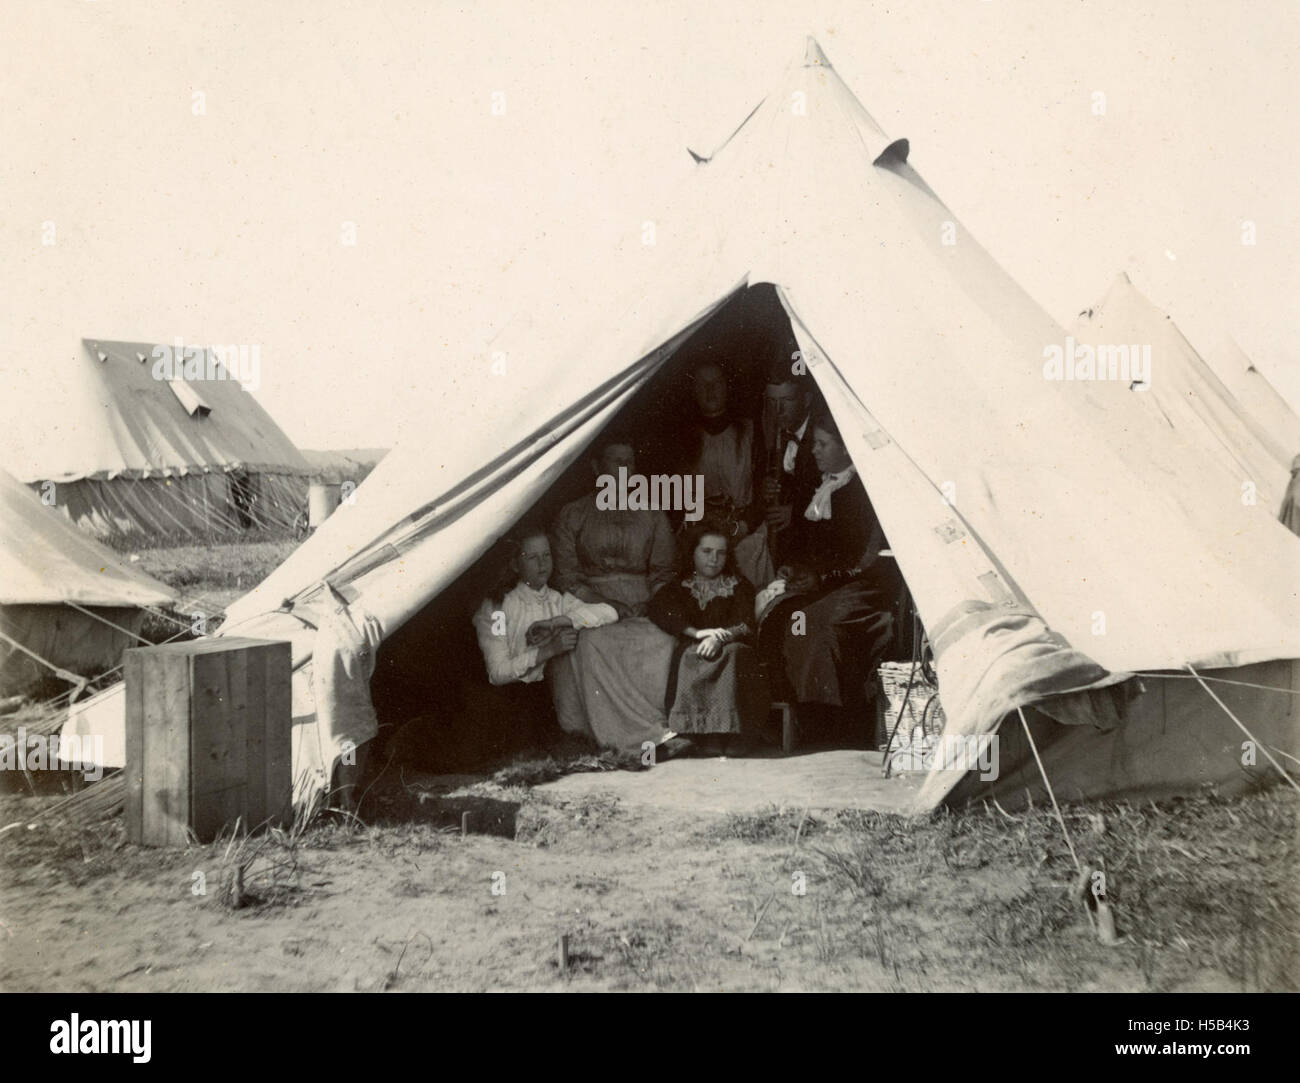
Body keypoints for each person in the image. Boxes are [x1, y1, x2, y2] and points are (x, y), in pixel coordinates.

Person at [758, 412, 895, 743]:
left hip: (862, 587)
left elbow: (869, 557)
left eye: (822, 444)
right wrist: (795, 568)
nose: (815, 450)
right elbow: (811, 546)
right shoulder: (819, 487)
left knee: (818, 626)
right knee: (782, 615)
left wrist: (822, 578)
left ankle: (833, 725)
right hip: (826, 586)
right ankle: (792, 718)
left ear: (846, 449)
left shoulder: (866, 492)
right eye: (815, 443)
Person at [549, 437, 681, 750]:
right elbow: (567, 576)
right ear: (597, 468)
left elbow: (663, 572)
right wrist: (607, 604)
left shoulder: (652, 514)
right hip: (591, 604)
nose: (623, 469)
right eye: (615, 461)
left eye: (629, 462)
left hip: (644, 604)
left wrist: (652, 605)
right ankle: (624, 736)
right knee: (594, 641)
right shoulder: (574, 513)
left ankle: (659, 727)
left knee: (663, 639)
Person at [469, 528, 618, 753]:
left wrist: (559, 621)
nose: (543, 564)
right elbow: (498, 673)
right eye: (532, 557)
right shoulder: (498, 608)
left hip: (550, 699)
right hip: (510, 702)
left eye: (547, 555)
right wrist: (547, 651)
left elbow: (609, 612)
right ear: (515, 565)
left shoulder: (558, 600)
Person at [647, 521, 769, 751]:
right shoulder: (680, 586)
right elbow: (658, 609)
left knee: (732, 656)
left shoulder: (739, 586)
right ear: (692, 552)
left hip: (732, 645)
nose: (713, 559)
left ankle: (728, 736)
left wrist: (720, 637)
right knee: (688, 654)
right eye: (706, 551)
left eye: (721, 553)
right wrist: (696, 632)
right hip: (696, 644)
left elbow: (745, 624)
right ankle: (693, 735)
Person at [675, 360, 773, 586]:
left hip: (744, 531)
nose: (710, 390)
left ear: (727, 386)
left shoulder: (750, 431)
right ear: (693, 391)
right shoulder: (685, 437)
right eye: (702, 384)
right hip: (701, 530)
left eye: (716, 383)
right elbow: (678, 496)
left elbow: (763, 490)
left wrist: (743, 527)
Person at [760, 364, 823, 569]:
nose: (777, 410)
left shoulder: (824, 436)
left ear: (806, 400)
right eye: (772, 401)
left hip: (819, 548)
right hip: (789, 546)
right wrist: (767, 487)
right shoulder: (775, 431)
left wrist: (794, 512)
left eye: (786, 401)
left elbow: (843, 501)